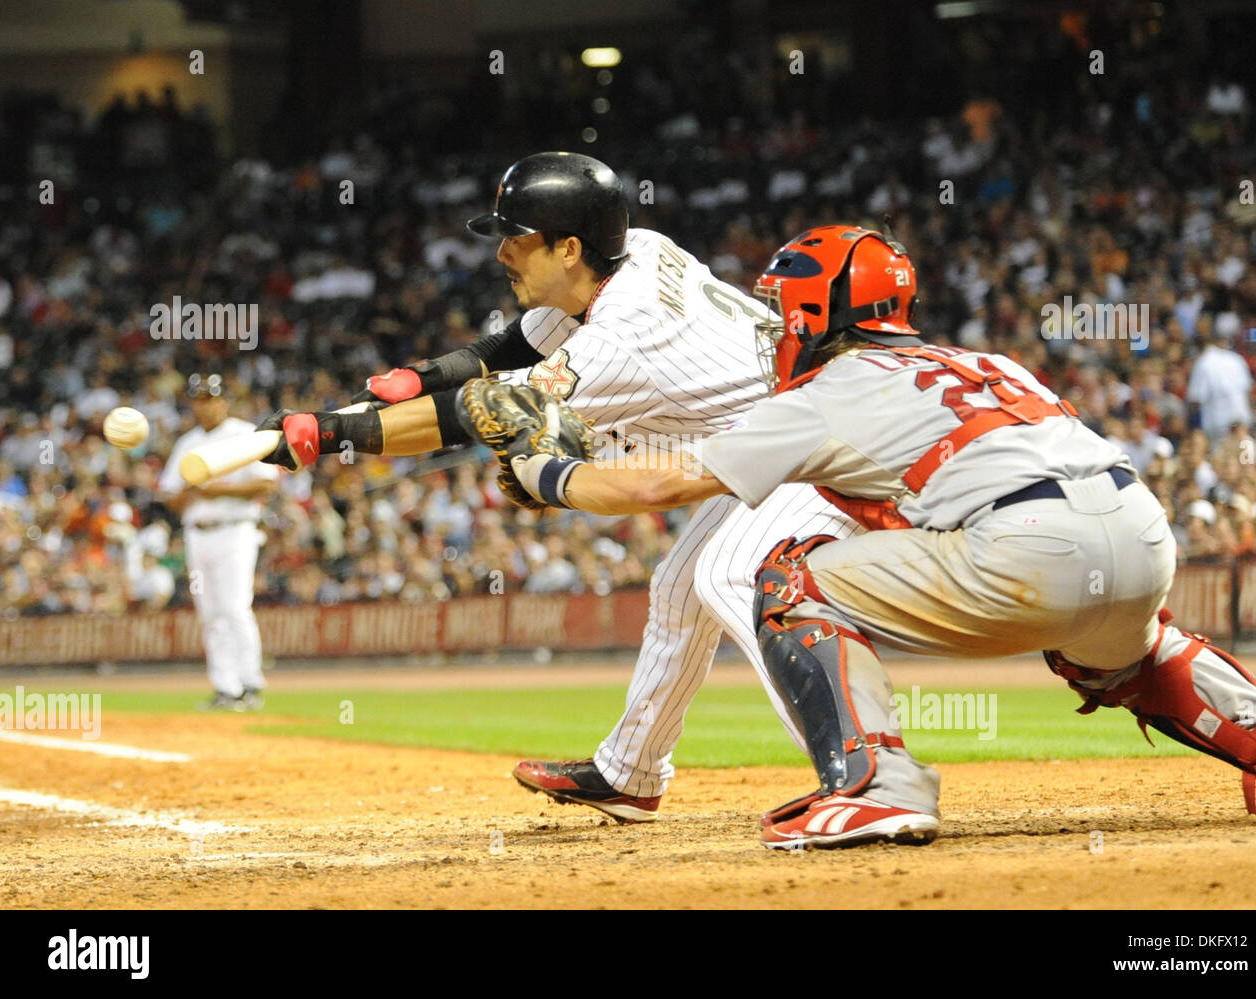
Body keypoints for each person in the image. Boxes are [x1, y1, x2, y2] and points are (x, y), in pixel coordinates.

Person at [503, 224, 1256, 849]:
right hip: (1141, 539)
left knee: (785, 576)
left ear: (817, 313)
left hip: (1025, 549)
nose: (775, 323)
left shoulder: (827, 389)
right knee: (1128, 647)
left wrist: (545, 473)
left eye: (784, 309)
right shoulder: (984, 359)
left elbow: (656, 483)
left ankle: (876, 786)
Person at [258, 151, 866, 819]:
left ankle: (861, 775)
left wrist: (332, 433)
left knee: (728, 576)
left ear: (568, 246)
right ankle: (630, 770)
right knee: (677, 589)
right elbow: (510, 348)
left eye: (516, 238)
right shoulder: (630, 251)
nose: (502, 254)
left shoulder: (623, 334)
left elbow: (479, 412)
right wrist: (414, 377)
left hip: (816, 437)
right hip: (770, 434)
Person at [159, 374, 279, 711]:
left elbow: (266, 484)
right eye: (199, 399)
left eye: (211, 398)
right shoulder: (187, 443)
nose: (205, 405)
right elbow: (169, 497)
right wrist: (191, 490)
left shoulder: (243, 434)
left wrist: (214, 488)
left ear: (225, 401)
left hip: (236, 530)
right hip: (197, 533)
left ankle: (251, 684)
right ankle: (225, 687)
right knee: (210, 613)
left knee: (235, 607)